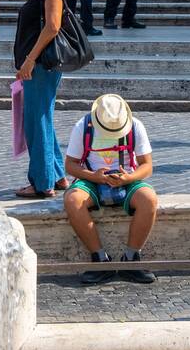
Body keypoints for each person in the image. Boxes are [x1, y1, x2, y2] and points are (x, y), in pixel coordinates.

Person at [64, 93, 158, 284]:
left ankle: (131, 259)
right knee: (72, 200)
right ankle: (99, 259)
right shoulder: (83, 127)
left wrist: (128, 178)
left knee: (149, 199)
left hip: (127, 177)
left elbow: (147, 165)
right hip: (92, 179)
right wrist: (94, 176)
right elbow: (71, 165)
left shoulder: (136, 126)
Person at [13, 0, 71, 199]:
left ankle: (41, 181)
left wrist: (29, 59)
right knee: (42, 119)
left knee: (35, 122)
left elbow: (52, 27)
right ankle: (57, 175)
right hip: (36, 65)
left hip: (40, 65)